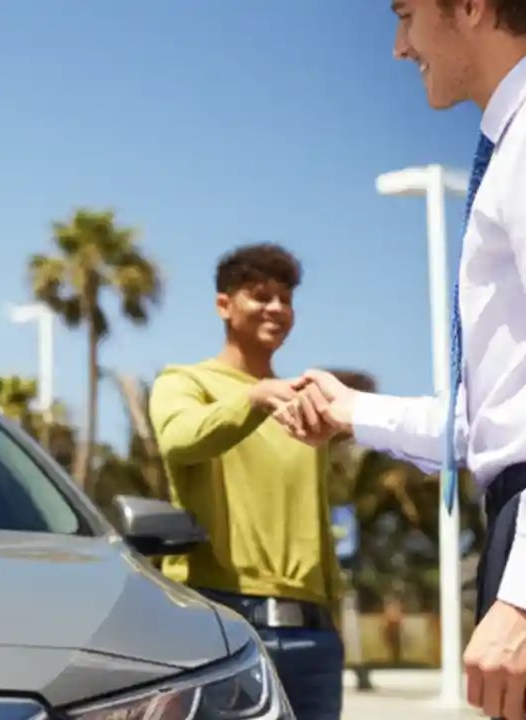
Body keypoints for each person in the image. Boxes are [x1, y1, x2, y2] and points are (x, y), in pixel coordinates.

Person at [275, 1, 526, 718]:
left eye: (407, 14)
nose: (398, 45)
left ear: (472, 7)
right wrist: (353, 413)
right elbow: (506, 416)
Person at [147, 243, 344, 720]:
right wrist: (254, 398)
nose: (276, 308)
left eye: (286, 298)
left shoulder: (305, 400)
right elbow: (179, 438)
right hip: (222, 623)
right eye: (260, 295)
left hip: (313, 635)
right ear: (224, 305)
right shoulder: (186, 382)